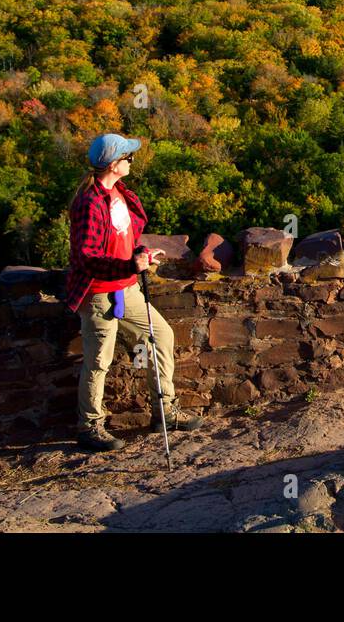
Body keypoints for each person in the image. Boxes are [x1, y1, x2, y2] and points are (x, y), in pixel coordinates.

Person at [63, 133, 203, 451]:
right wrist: (129, 266)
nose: (131, 161)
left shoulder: (118, 195)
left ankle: (165, 411)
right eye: (128, 157)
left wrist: (140, 254)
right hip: (99, 293)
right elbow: (87, 257)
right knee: (99, 360)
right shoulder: (89, 203)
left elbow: (124, 237)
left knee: (161, 336)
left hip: (127, 289)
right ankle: (89, 427)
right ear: (114, 164)